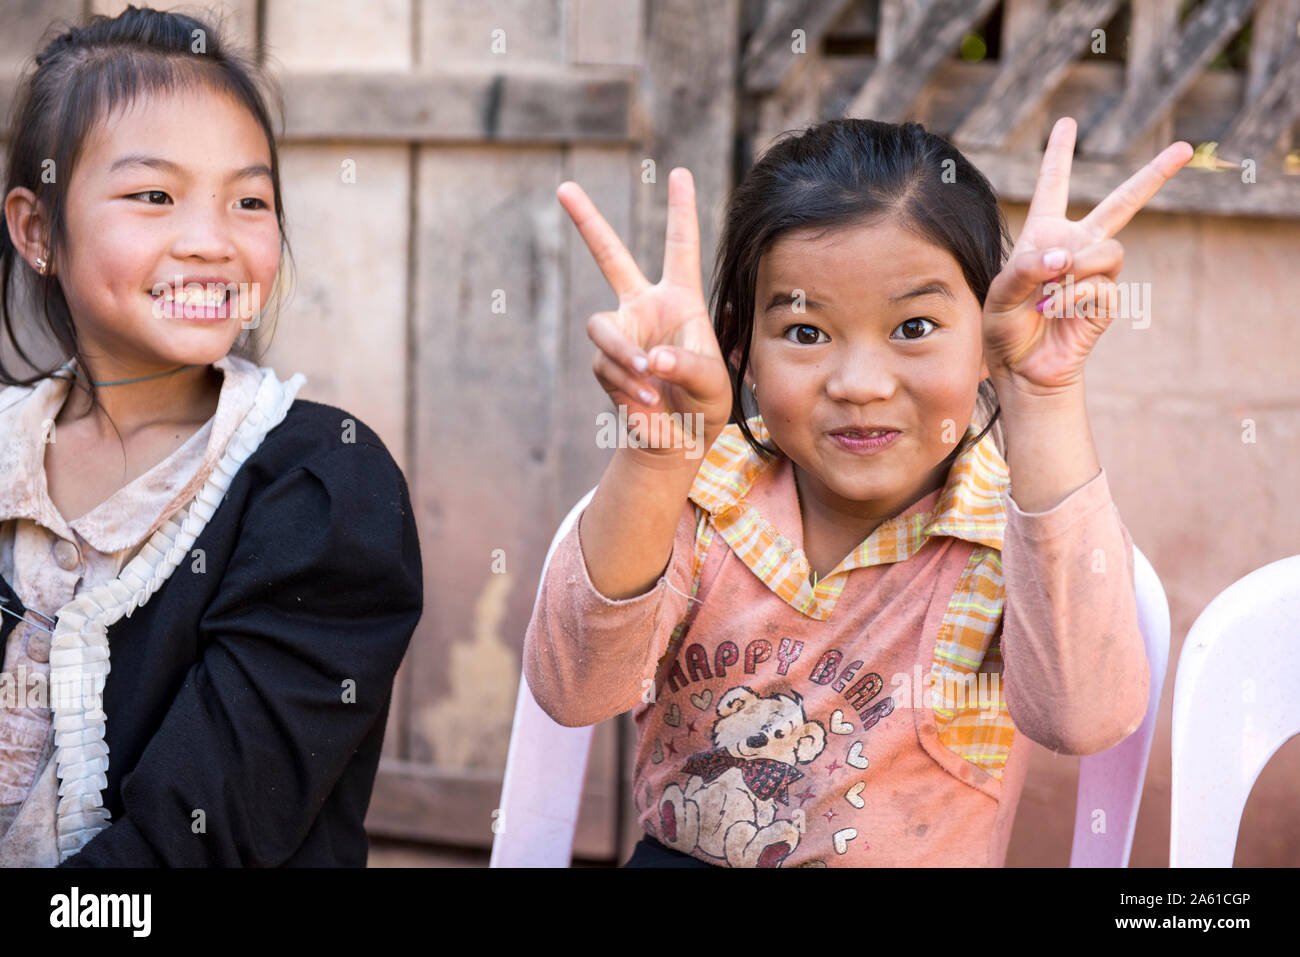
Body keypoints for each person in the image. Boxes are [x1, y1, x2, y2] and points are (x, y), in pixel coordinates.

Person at [525, 116, 1191, 867]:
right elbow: (572, 690)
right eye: (807, 333)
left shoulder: (1017, 536)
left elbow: (1085, 717)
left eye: (914, 325)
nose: (861, 385)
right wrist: (655, 461)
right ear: (742, 349)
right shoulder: (698, 500)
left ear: (985, 339)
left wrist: (1042, 389)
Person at [0, 5, 422, 866]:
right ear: (39, 230)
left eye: (249, 200)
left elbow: (196, 845)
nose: (212, 242)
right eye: (154, 195)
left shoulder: (323, 489)